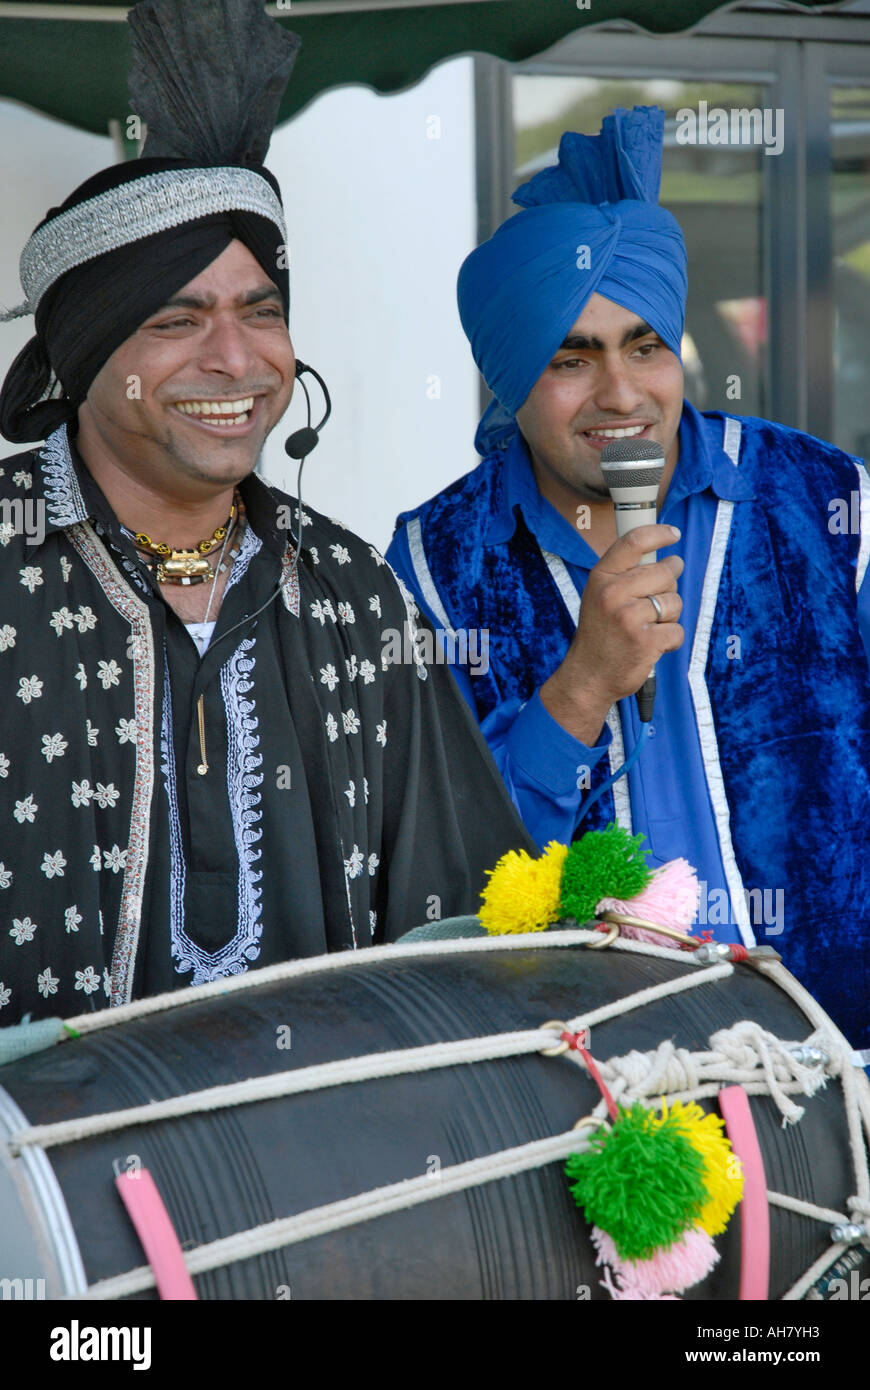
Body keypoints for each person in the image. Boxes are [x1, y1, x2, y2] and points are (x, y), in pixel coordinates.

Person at [0, 0, 532, 1026]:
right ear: (87, 353)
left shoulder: (349, 595)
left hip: (315, 1168)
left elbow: (459, 928)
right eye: (176, 318)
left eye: (262, 312)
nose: (237, 361)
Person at [387, 106, 870, 1049]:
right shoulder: (434, 568)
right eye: (572, 358)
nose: (620, 395)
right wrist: (579, 688)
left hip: (835, 1068)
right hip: (581, 1090)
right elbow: (429, 876)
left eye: (646, 347)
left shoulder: (825, 506)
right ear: (509, 377)